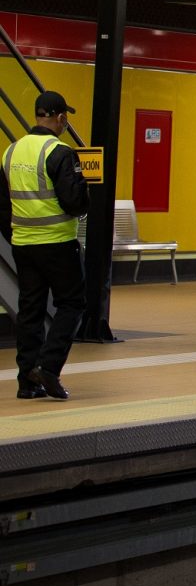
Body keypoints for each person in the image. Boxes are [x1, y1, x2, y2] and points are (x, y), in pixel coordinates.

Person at [1, 91, 88, 399]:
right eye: (66, 119)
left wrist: (16, 234)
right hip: (57, 243)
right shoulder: (60, 152)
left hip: (23, 244)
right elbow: (75, 202)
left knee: (31, 310)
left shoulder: (10, 152)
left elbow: (3, 203)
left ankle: (27, 382)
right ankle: (48, 368)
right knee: (72, 303)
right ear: (60, 118)